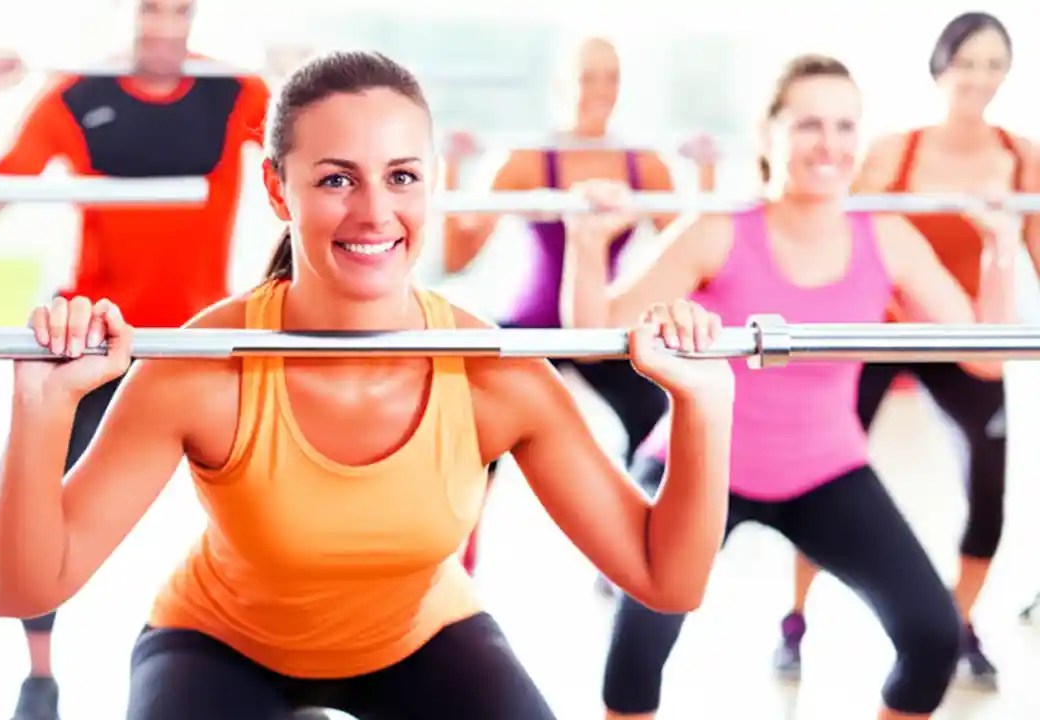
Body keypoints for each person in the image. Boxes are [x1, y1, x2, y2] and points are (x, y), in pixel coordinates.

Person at [0, 50, 737, 720]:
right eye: (337, 178)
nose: (375, 212)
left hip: (422, 638)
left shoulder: (491, 376)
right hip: (219, 645)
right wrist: (41, 410)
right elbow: (24, 588)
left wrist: (704, 406)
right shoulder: (202, 368)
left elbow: (664, 579)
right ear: (278, 190)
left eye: (401, 176)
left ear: (431, 183)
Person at [563, 54, 1017, 720]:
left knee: (931, 636)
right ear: (769, 134)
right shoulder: (720, 230)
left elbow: (986, 358)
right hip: (702, 470)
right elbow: (596, 329)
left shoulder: (885, 238)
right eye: (809, 124)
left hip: (824, 469)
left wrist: (1000, 243)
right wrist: (586, 240)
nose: (829, 144)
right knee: (635, 652)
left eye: (844, 125)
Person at [0, 1, 270, 715]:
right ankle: (39, 674)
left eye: (176, 11)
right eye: (150, 10)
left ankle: (290, 659)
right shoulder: (75, 94)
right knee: (39, 494)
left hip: (194, 338)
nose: (160, 29)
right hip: (94, 333)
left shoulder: (236, 92)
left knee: (278, 488)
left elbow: (309, 161)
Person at [776, 11, 1040, 690]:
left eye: (994, 64)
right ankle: (795, 617)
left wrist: (1001, 235)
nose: (980, 78)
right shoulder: (897, 150)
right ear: (939, 68)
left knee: (989, 488)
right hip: (880, 330)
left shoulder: (1023, 157)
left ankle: (957, 625)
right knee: (818, 470)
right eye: (968, 62)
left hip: (963, 333)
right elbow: (838, 233)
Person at [441, 35, 717, 578]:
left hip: (601, 326)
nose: (599, 91)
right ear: (560, 86)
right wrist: (452, 169)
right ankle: (455, 557)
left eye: (610, 77)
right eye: (587, 77)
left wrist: (705, 172)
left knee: (654, 421)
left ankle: (634, 547)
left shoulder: (645, 166)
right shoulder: (523, 160)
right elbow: (456, 257)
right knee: (479, 423)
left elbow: (695, 251)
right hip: (533, 326)